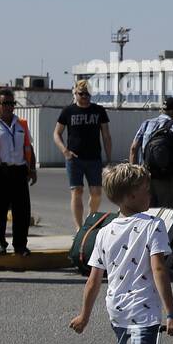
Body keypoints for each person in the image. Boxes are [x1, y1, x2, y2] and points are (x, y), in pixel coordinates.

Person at [68, 163, 173, 344]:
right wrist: (171, 314)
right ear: (132, 195)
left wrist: (84, 316)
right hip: (143, 312)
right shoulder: (154, 225)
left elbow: (93, 280)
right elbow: (159, 269)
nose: (150, 194)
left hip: (117, 311)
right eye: (146, 190)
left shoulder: (104, 232)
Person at [0, 89, 37, 257]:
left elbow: (29, 147)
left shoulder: (22, 124)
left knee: (22, 211)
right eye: (5, 103)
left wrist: (32, 169)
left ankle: (20, 245)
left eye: (12, 103)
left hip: (19, 171)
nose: (9, 107)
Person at [54, 80, 112, 231]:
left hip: (94, 158)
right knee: (77, 191)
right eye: (81, 94)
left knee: (97, 193)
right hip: (74, 158)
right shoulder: (68, 111)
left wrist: (109, 158)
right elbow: (57, 133)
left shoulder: (99, 111)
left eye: (87, 94)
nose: (85, 97)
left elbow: (106, 135)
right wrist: (65, 151)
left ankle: (91, 219)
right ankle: (79, 227)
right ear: (75, 94)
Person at [129, 97, 173, 209]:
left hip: (146, 175)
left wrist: (135, 171)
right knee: (168, 212)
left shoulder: (146, 123)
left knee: (146, 210)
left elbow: (133, 148)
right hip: (167, 178)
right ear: (172, 111)